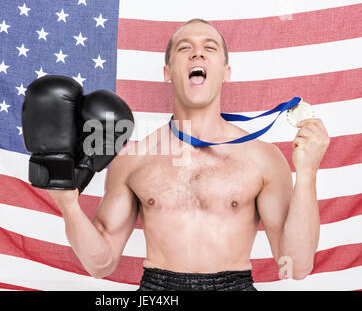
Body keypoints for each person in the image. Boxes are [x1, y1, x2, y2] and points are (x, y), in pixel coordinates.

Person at [28, 19, 330, 291]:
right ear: (168, 72)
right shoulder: (133, 160)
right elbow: (100, 264)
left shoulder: (263, 158)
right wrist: (67, 203)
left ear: (225, 72)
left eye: (209, 48)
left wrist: (307, 173)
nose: (197, 53)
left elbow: (297, 265)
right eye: (185, 48)